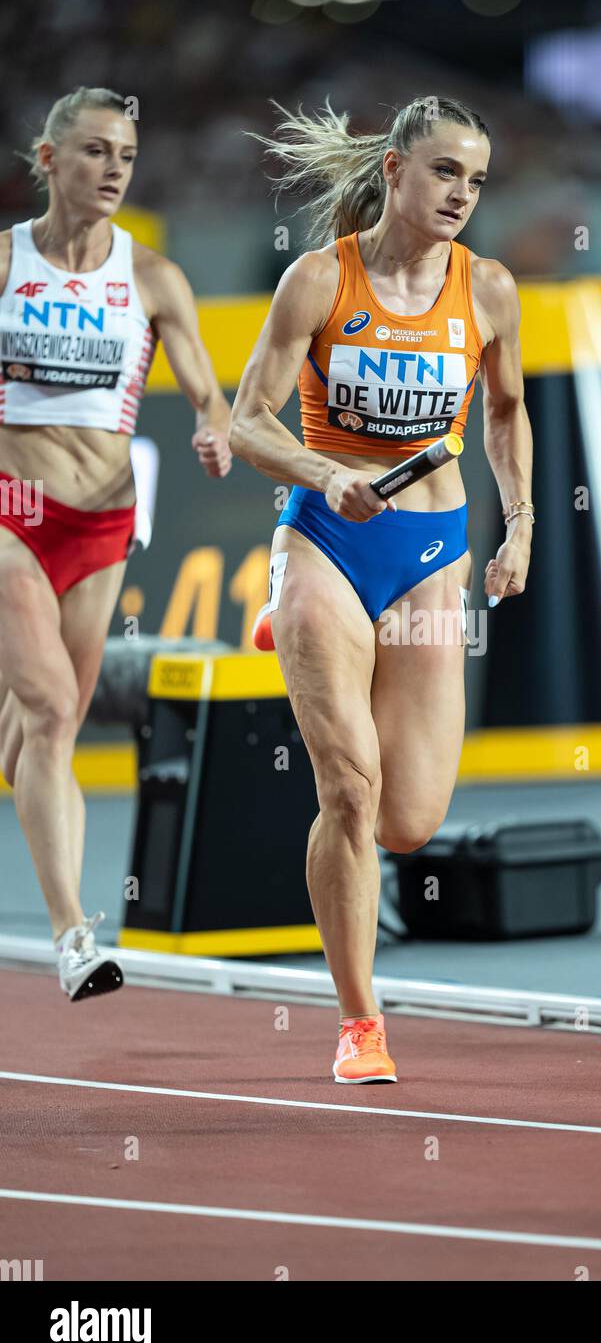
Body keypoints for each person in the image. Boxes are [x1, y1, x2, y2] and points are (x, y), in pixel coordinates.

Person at [231, 95, 533, 1082]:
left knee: (408, 818)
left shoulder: (487, 290)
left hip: (431, 550)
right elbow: (246, 422)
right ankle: (361, 1022)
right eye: (445, 171)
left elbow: (504, 412)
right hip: (323, 536)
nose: (461, 194)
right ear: (395, 172)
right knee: (348, 791)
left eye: (475, 179)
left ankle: (326, 663)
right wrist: (324, 475)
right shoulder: (320, 279)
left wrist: (520, 521)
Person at [0, 87, 232, 1001]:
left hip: (103, 524)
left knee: (31, 735)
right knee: (54, 710)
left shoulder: (153, 278)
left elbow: (208, 393)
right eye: (94, 152)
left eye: (126, 156)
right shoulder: (5, 263)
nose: (112, 170)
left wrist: (213, 428)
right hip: (11, 508)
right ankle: (72, 936)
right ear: (50, 159)